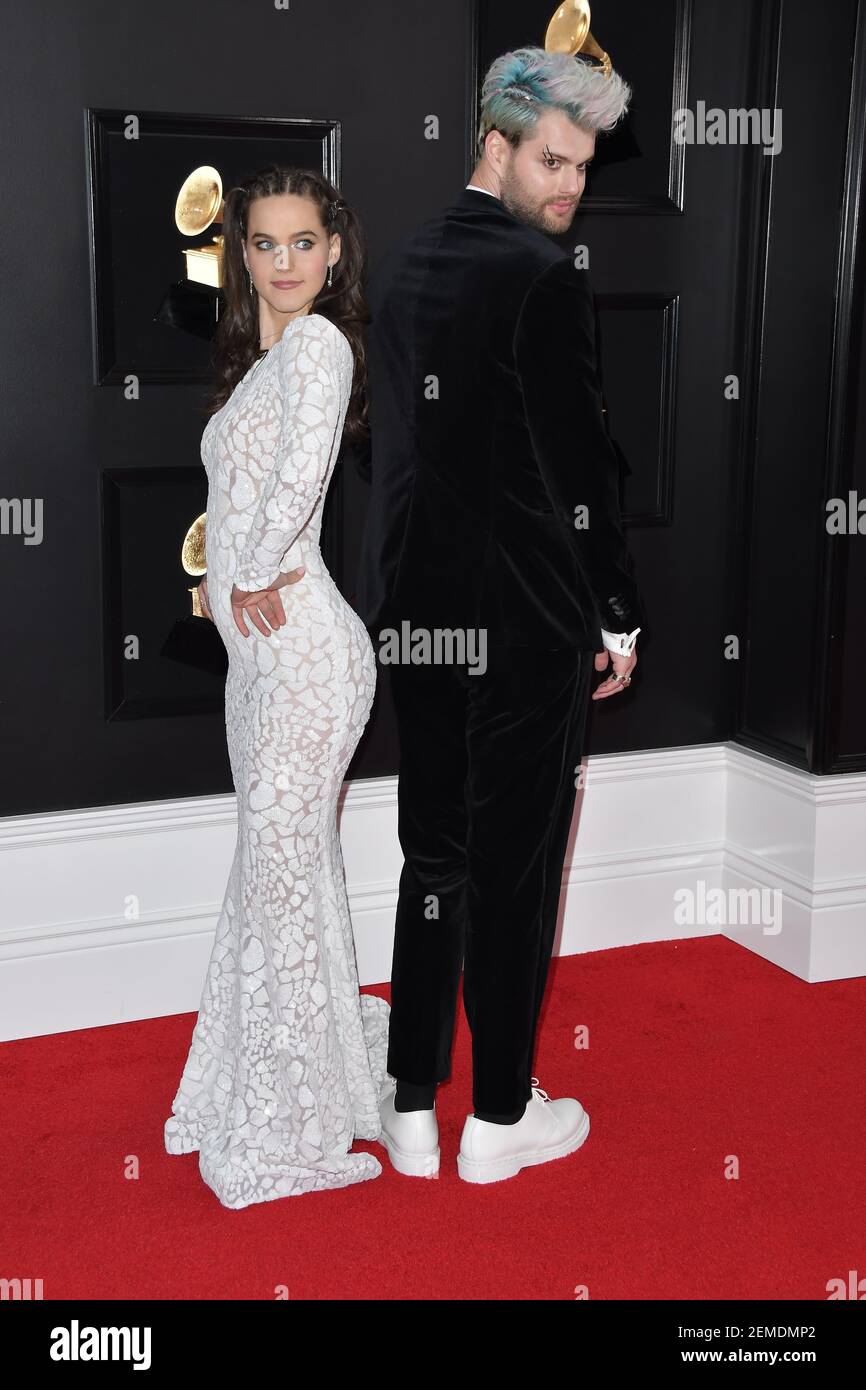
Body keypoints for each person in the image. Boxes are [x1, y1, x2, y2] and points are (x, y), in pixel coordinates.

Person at [355, 46, 644, 1184]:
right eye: (552, 161)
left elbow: (387, 450)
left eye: (581, 166)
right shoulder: (542, 274)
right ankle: (502, 1117)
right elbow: (583, 470)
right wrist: (615, 611)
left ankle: (414, 1106)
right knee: (513, 871)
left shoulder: (408, 260)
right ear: (494, 144)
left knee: (432, 854)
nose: (569, 187)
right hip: (524, 621)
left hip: (417, 614)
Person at [164, 166, 389, 1208]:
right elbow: (239, 485)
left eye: (304, 242)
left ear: (332, 250)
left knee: (282, 879)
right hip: (256, 661)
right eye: (265, 243)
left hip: (306, 654)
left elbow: (302, 474)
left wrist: (246, 571)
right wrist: (218, 579)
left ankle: (289, 1131)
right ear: (240, 252)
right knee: (273, 872)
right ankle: (275, 1092)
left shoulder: (321, 345)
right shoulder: (261, 357)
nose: (286, 261)